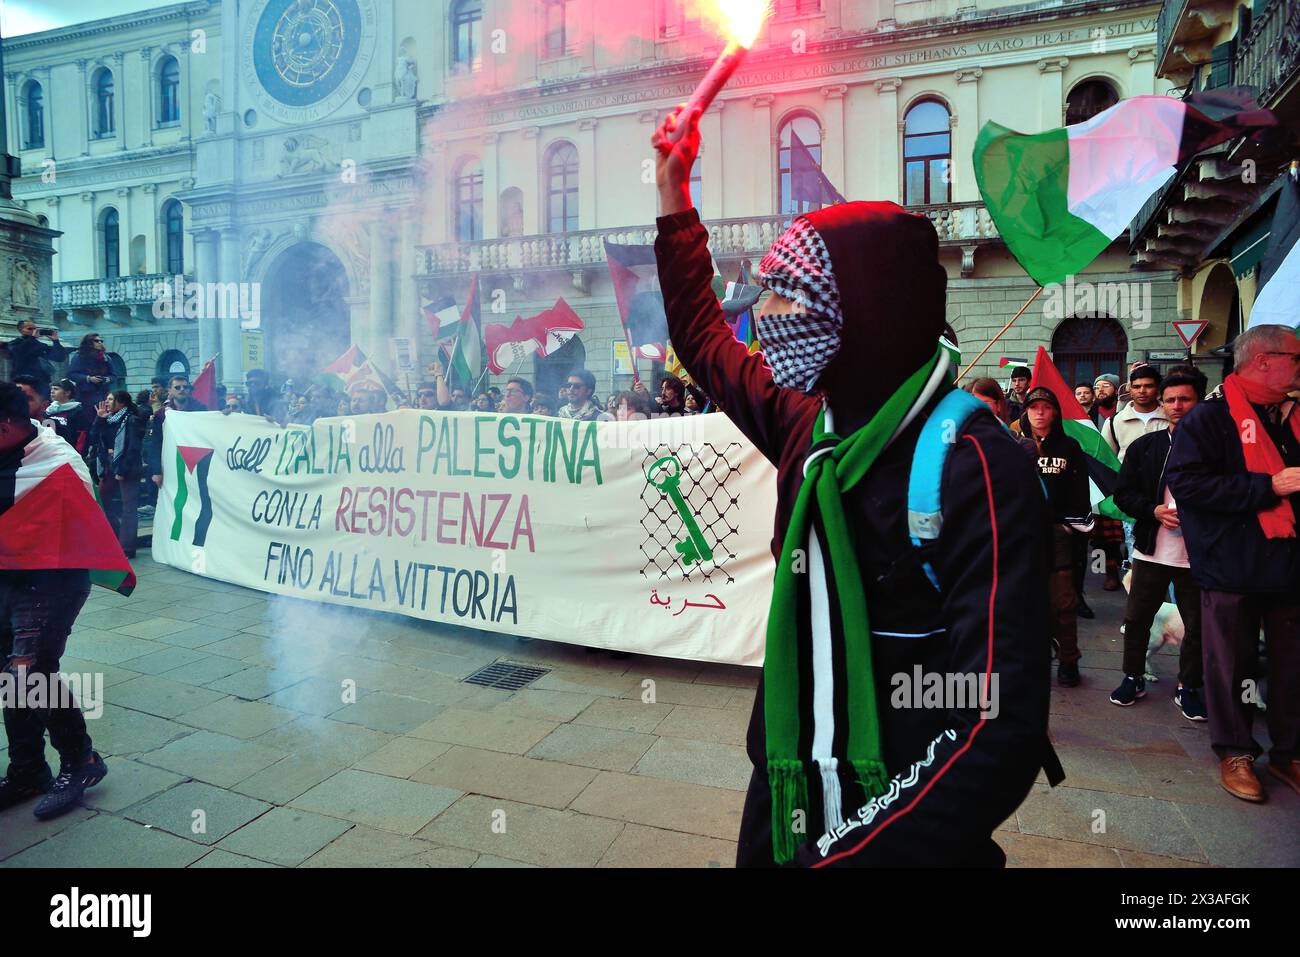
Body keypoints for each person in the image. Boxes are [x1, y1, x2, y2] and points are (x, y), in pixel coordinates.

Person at [653, 103, 1055, 867]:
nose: (764, 319)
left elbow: (996, 720)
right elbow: (704, 336)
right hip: (786, 783)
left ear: (865, 314)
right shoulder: (809, 421)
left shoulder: (976, 463)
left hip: (908, 814)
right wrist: (675, 191)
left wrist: (850, 855)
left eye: (790, 300)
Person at [1166, 324, 1300, 803]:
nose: (1299, 367)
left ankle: (1289, 752)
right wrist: (1271, 487)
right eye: (1295, 358)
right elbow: (1190, 485)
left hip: (1288, 566)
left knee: (1291, 666)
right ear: (1263, 360)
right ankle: (1235, 751)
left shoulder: (1292, 415)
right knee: (1230, 666)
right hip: (1231, 566)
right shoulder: (1209, 419)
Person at [0, 383, 109, 819]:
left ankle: (81, 760)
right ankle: (28, 769)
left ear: (6, 425)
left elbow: (84, 525)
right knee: (7, 673)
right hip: (8, 576)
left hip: (52, 579)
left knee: (29, 672)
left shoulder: (57, 461)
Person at [1109, 372, 1205, 719]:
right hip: (1151, 548)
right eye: (1171, 400)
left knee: (1198, 626)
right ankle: (1132, 677)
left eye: (1185, 399)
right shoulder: (1145, 447)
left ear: (1199, 401)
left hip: (1197, 555)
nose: (1177, 406)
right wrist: (1153, 510)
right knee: (1137, 618)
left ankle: (1188, 686)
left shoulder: (1217, 447)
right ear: (1162, 404)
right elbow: (1123, 494)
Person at [1013, 387, 1095, 686]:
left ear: (1055, 412)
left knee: (1062, 601)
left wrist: (1069, 527)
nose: (1039, 413)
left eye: (1045, 407)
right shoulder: (1012, 444)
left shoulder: (1069, 447)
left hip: (1058, 535)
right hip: (1021, 535)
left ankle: (1069, 659)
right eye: (1033, 407)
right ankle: (1033, 658)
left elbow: (1079, 491)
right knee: (1025, 600)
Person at [90, 390, 147, 559]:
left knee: (128, 506)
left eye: (110, 399)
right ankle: (115, 537)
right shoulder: (107, 419)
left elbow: (133, 447)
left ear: (121, 402)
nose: (106, 402)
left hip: (126, 465)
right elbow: (93, 437)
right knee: (102, 500)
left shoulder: (131, 419)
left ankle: (127, 547)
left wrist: (122, 469)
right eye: (106, 398)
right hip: (108, 464)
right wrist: (99, 418)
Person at [144, 374, 208, 490]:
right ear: (169, 390)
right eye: (177, 387)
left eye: (185, 387)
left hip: (196, 462)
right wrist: (156, 471)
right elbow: (156, 444)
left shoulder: (201, 409)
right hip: (171, 464)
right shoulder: (161, 414)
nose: (182, 390)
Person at [1103, 365, 1167, 462]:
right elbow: (1107, 460)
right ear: (1130, 391)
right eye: (1136, 387)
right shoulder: (1114, 422)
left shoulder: (1171, 418)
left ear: (1158, 390)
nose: (1142, 391)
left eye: (1148, 386)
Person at [6, 320, 65, 396]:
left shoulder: (41, 345)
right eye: (30, 329)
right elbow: (19, 351)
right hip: (23, 382)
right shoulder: (15, 343)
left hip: (41, 382)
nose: (34, 331)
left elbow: (59, 357)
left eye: (35, 329)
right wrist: (32, 338)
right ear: (21, 330)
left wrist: (55, 341)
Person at [66, 333, 113, 410]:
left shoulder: (106, 358)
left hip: (102, 394)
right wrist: (89, 378)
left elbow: (113, 375)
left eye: (101, 341)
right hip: (85, 394)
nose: (100, 342)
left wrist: (106, 379)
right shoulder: (79, 356)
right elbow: (71, 374)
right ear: (89, 342)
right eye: (96, 341)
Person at [45, 378, 91, 455]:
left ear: (67, 393)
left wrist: (78, 453)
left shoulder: (77, 411)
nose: (52, 391)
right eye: (52, 389)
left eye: (56, 389)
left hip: (68, 452)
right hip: (49, 452)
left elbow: (82, 435)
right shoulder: (48, 410)